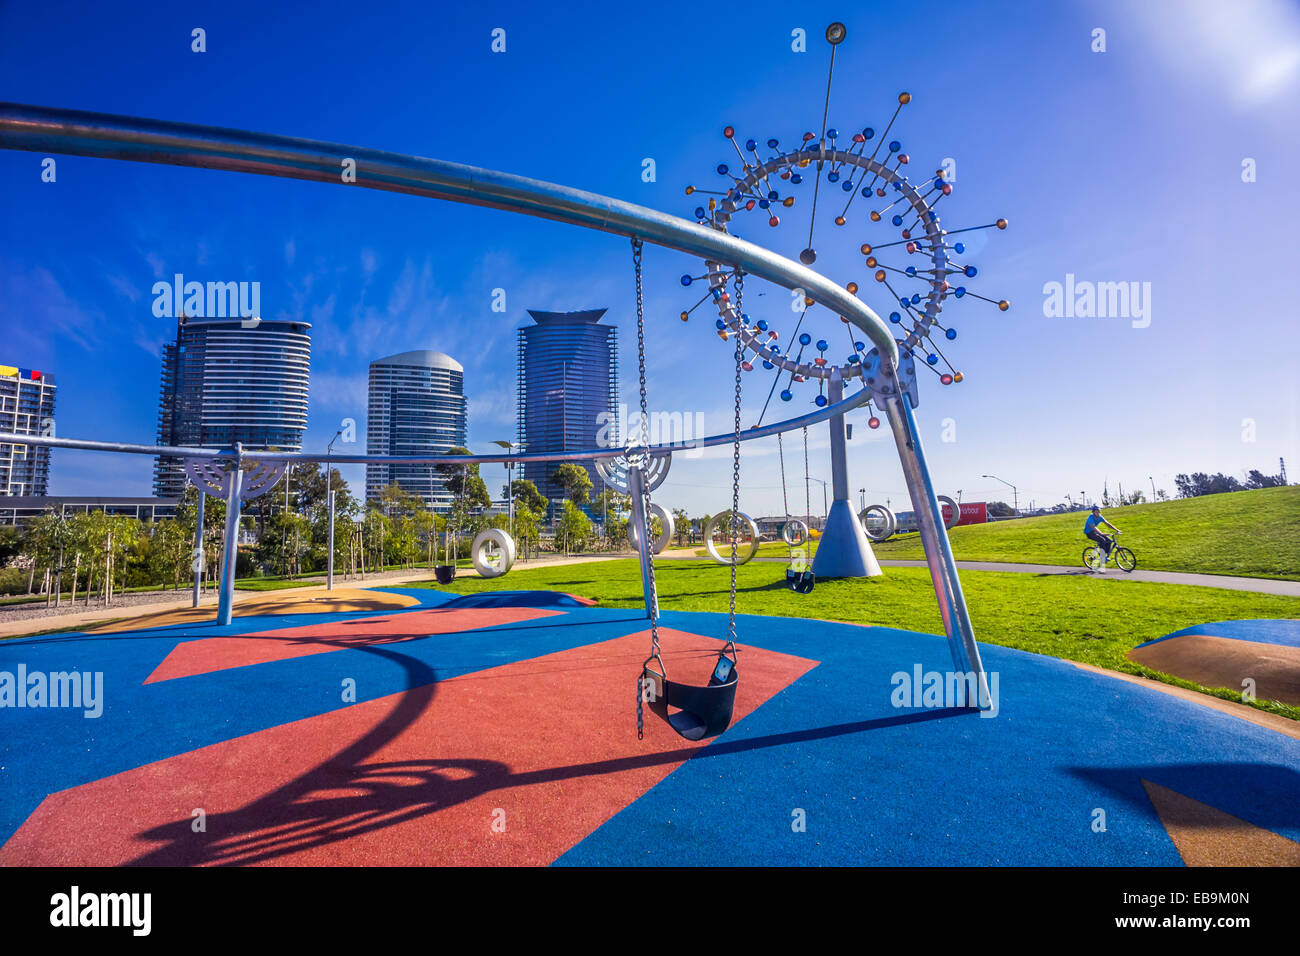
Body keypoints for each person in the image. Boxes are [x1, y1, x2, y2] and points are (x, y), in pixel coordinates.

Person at [1083, 506, 1119, 572]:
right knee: (1102, 540)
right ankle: (1103, 557)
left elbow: (1107, 524)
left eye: (1099, 511)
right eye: (1096, 511)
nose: (1098, 512)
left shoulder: (1100, 517)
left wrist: (1116, 530)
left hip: (1094, 531)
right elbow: (1094, 527)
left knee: (1109, 541)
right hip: (1089, 533)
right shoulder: (1091, 517)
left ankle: (1105, 556)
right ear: (1093, 512)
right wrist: (1101, 533)